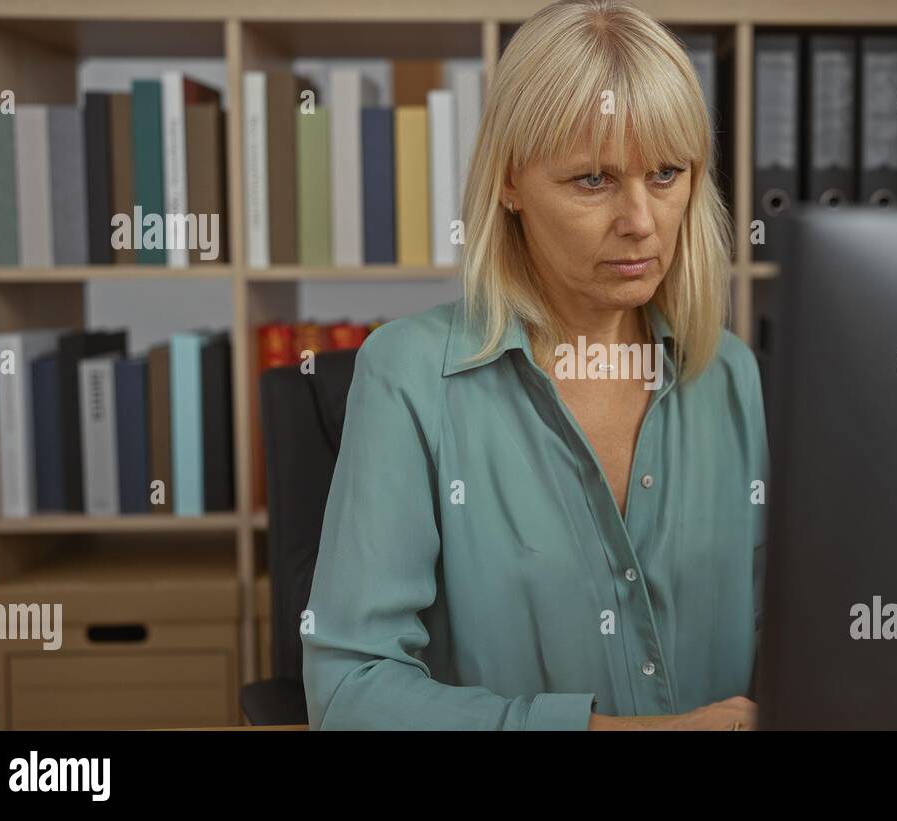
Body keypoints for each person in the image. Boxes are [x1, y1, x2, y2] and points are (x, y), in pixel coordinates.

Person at [302, 0, 768, 730]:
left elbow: (792, 642)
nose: (640, 220)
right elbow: (349, 688)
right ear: (510, 183)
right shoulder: (409, 376)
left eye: (667, 173)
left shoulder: (731, 374)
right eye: (593, 180)